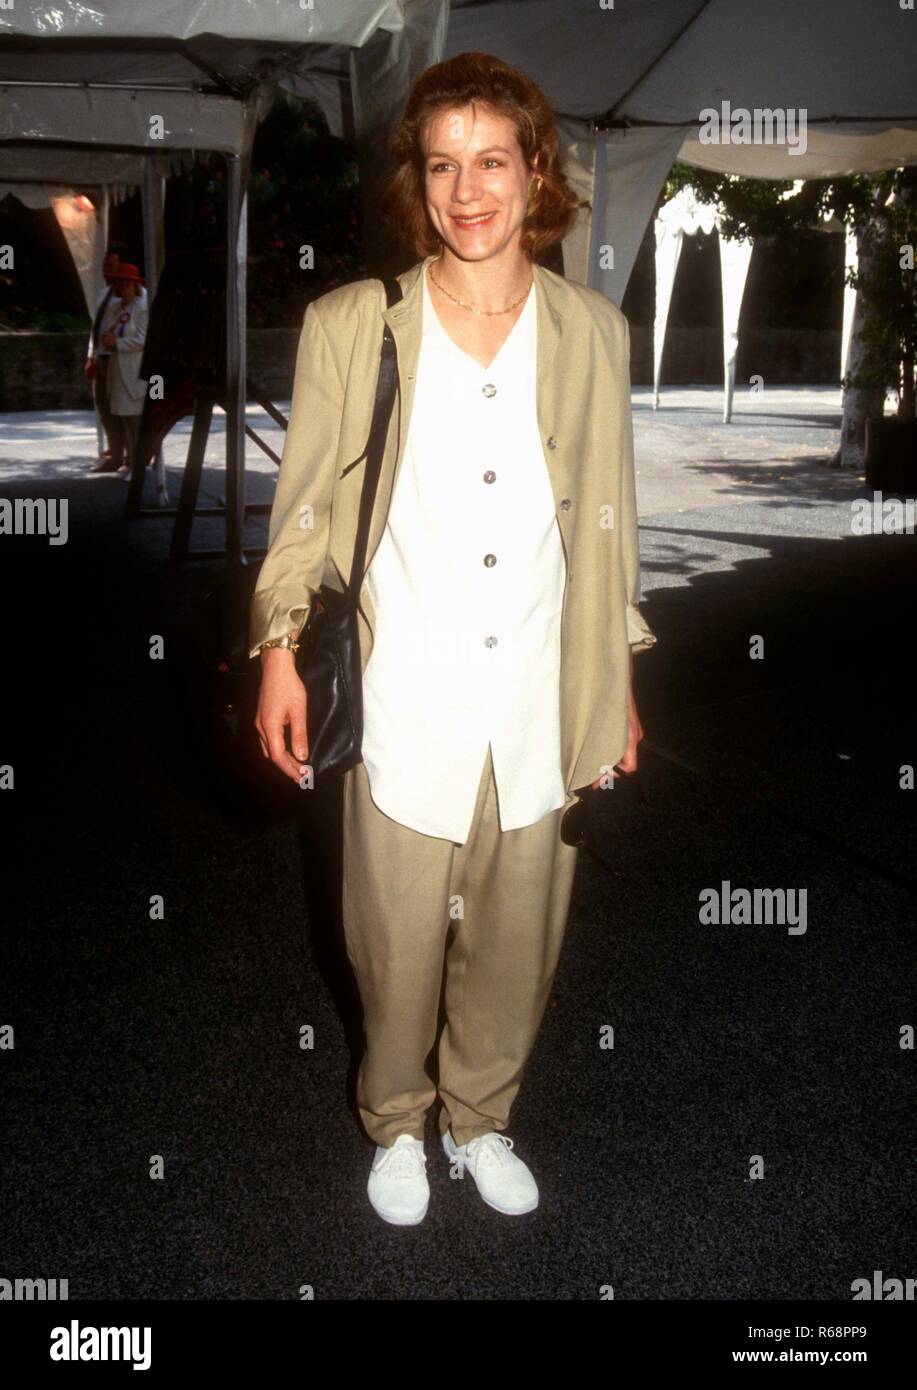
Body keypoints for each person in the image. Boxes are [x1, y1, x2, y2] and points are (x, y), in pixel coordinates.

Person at [250, 51, 657, 1226]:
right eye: (442, 164)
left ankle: (480, 1118)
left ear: (537, 174)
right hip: (402, 695)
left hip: (540, 692)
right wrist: (278, 648)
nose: (467, 190)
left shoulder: (592, 333)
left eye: (492, 161)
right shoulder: (351, 327)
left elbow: (609, 526)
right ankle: (395, 1119)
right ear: (415, 182)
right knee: (390, 942)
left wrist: (616, 681)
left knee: (518, 933)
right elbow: (308, 521)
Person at [99, 263, 149, 477]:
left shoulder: (142, 308)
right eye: (121, 282)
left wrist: (117, 343)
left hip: (134, 369)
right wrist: (108, 339)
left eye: (128, 282)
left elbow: (144, 340)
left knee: (135, 420)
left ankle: (139, 465)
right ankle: (130, 463)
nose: (124, 286)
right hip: (118, 370)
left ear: (136, 284)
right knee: (124, 418)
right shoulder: (117, 308)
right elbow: (107, 331)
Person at [85, 241, 127, 473]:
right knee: (102, 404)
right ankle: (114, 448)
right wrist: (90, 356)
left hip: (115, 357)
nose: (109, 269)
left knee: (117, 406)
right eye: (106, 265)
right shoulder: (103, 293)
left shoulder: (123, 296)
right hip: (100, 356)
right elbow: (96, 326)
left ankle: (123, 452)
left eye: (113, 265)